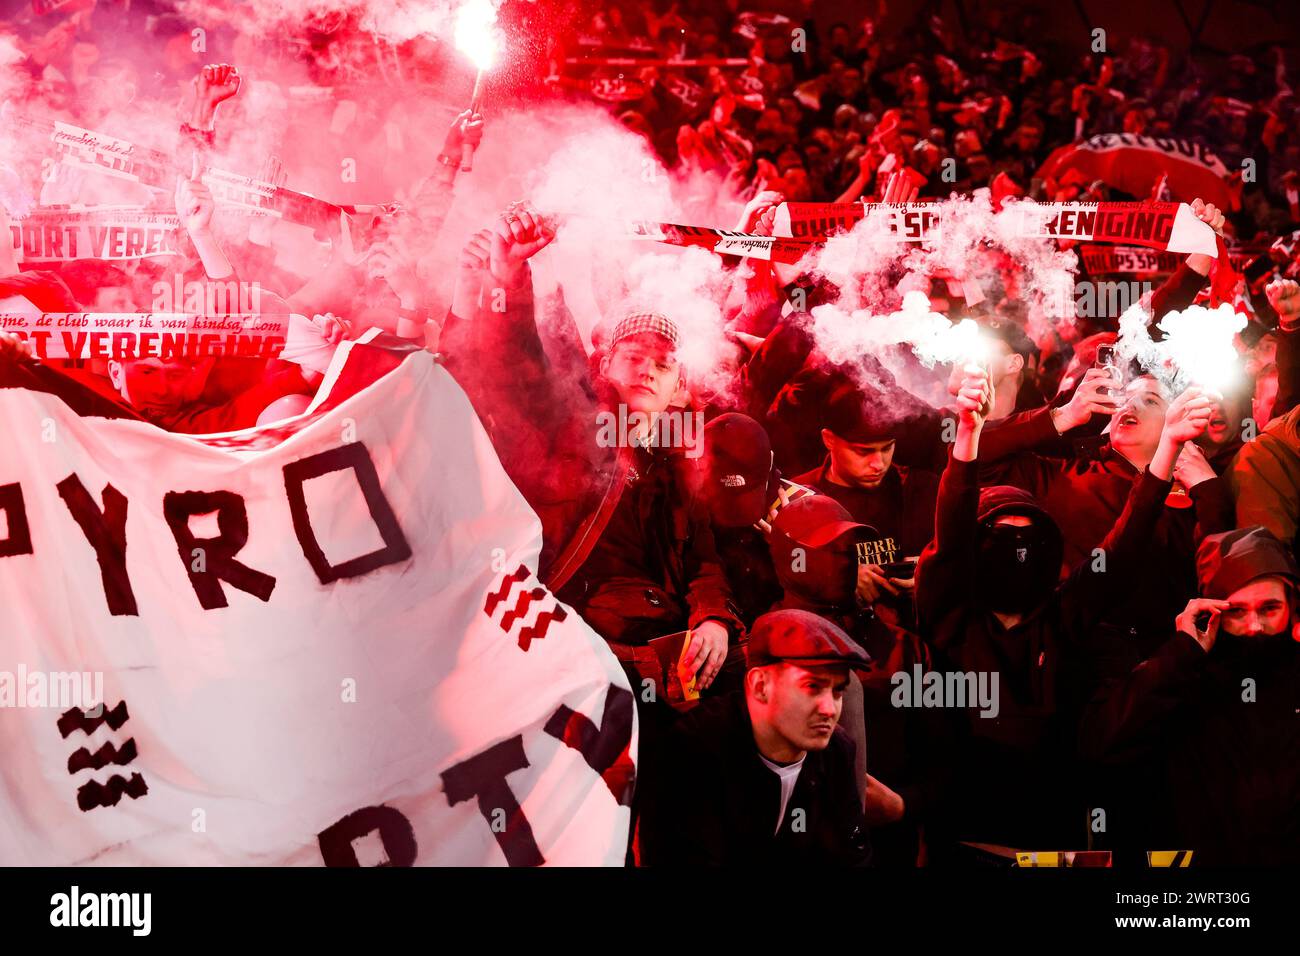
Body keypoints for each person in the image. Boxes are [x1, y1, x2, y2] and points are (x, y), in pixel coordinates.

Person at [916, 363, 1213, 858]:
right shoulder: (950, 616)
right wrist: (969, 430)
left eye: (1028, 538)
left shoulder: (1061, 619)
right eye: (1001, 537)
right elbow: (953, 524)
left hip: (1050, 833)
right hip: (961, 831)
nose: (1017, 551)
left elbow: (1119, 553)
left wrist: (1167, 454)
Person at [1081, 526, 1300, 865]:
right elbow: (1103, 747)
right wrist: (1182, 654)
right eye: (1237, 611)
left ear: (1291, 606)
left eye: (1269, 608)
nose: (1255, 625)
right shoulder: (1180, 676)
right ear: (1212, 609)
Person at [640, 608, 872, 866]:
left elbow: (852, 856)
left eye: (837, 692)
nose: (830, 709)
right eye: (812, 687)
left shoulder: (837, 750)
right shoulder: (692, 750)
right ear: (760, 686)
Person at [794, 379, 939, 618]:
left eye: (887, 448)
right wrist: (840, 579)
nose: (878, 464)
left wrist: (932, 570)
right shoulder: (800, 499)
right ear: (829, 439)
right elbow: (786, 577)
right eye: (863, 451)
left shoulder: (922, 488)